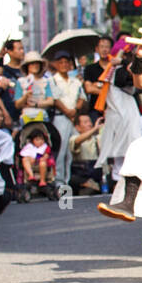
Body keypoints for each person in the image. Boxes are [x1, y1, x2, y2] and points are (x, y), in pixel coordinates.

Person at [45, 49, 86, 186]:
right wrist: (68, 111)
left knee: (70, 151)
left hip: (73, 117)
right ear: (55, 64)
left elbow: (82, 98)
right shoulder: (52, 81)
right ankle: (58, 181)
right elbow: (55, 100)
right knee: (60, 150)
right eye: (60, 62)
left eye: (66, 62)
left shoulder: (76, 81)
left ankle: (67, 181)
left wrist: (75, 110)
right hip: (60, 117)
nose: (63, 65)